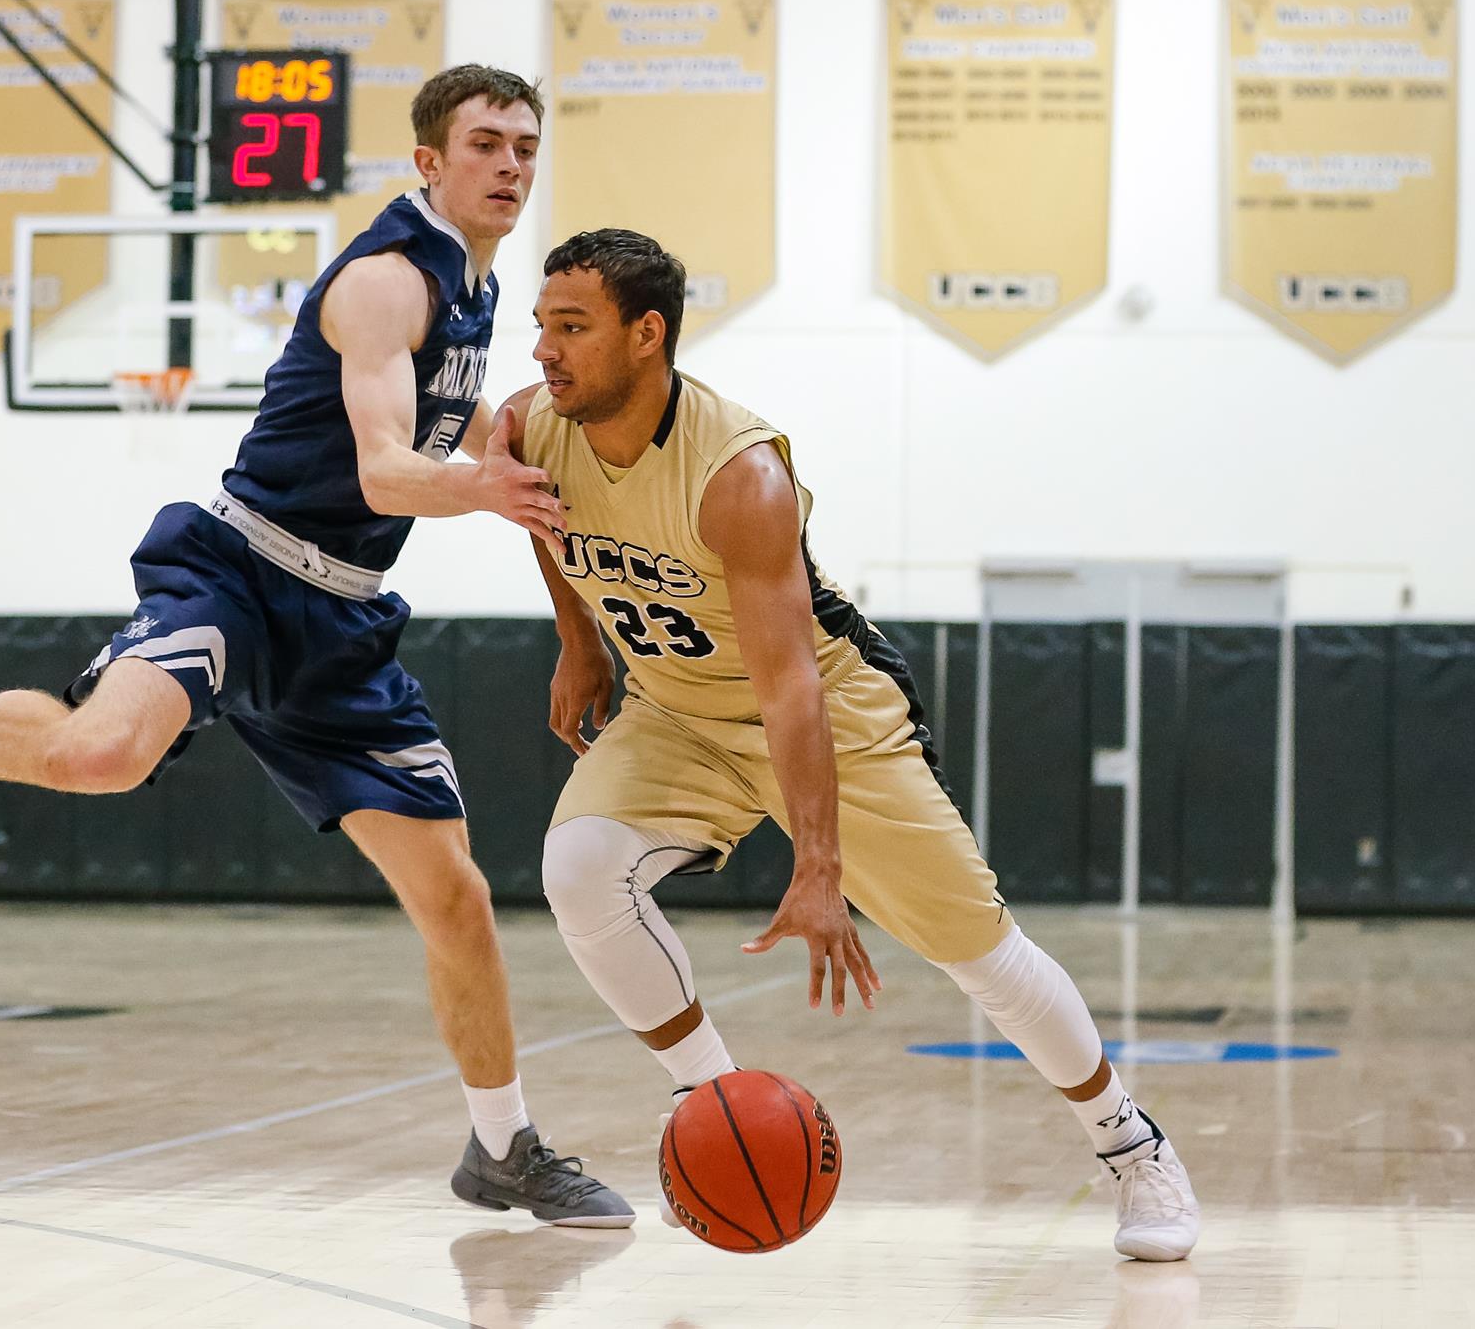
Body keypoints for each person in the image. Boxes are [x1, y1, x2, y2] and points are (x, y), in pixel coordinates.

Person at [0, 67, 632, 1228]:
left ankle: (500, 1148)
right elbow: (383, 469)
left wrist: (519, 431)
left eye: (524, 145)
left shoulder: (475, 291)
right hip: (238, 571)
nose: (510, 164)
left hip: (342, 629)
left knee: (457, 898)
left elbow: (448, 426)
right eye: (485, 144)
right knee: (101, 757)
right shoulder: (382, 281)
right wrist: (488, 485)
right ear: (429, 162)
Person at [500, 228, 1199, 1259]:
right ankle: (715, 1108)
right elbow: (541, 523)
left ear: (645, 336)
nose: (543, 351)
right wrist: (577, 645)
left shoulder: (737, 473)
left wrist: (818, 868)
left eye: (570, 327)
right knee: (578, 867)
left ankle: (1131, 1148)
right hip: (674, 710)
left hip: (828, 711)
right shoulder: (526, 429)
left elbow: (787, 690)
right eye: (539, 327)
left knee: (979, 953)